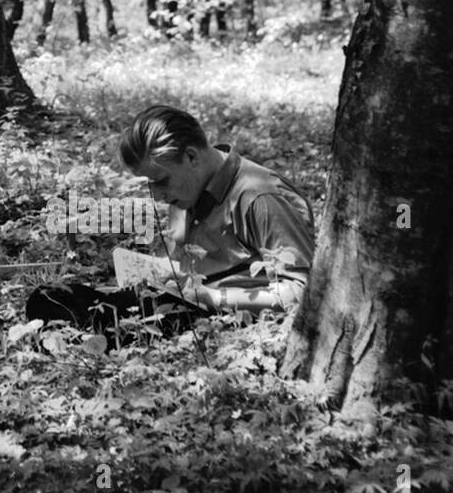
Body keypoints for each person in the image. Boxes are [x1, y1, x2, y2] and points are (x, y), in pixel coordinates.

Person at [27, 105, 315, 336]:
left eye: (160, 181)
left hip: (218, 318)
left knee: (92, 323)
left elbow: (303, 293)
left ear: (191, 156)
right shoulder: (188, 190)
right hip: (182, 302)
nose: (157, 195)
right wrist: (157, 275)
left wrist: (214, 299)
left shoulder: (260, 197)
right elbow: (186, 265)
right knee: (51, 297)